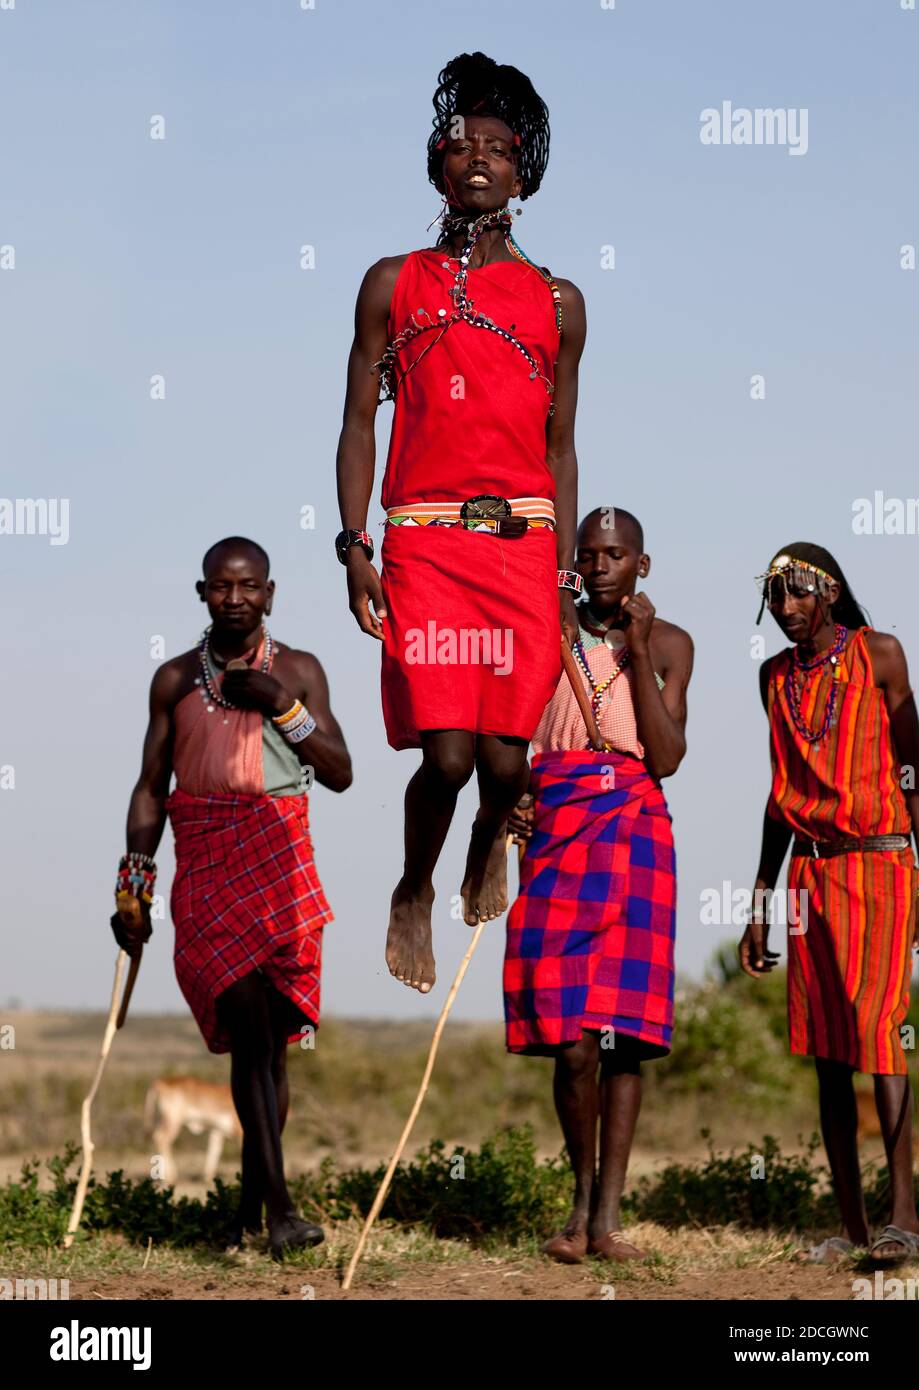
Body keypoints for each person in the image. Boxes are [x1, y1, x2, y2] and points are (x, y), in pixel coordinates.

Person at [335, 50, 586, 994]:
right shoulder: (390, 282)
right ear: (437, 167)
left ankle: (491, 836)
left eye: (497, 147)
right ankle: (412, 887)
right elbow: (359, 423)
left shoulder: (560, 303)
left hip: (522, 543)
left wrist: (562, 573)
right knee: (445, 753)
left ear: (523, 171)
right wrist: (356, 546)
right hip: (427, 545)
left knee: (507, 761)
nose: (476, 158)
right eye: (458, 145)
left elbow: (560, 449)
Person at [111, 537, 352, 1259]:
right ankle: (280, 1211)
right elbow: (152, 788)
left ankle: (247, 1215)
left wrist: (284, 707)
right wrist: (133, 890)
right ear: (202, 593)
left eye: (248, 586)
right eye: (221, 586)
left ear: (270, 593)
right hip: (209, 863)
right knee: (248, 1033)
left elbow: (339, 772)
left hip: (282, 860)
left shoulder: (299, 672)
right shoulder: (176, 680)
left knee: (271, 1052)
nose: (235, 598)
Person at [505, 507, 693, 1262]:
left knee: (623, 1039)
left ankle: (606, 1218)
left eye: (614, 555)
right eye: (587, 555)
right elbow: (509, 727)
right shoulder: (544, 630)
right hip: (556, 825)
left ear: (641, 565)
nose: (598, 566)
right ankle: (577, 1203)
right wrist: (513, 797)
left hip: (635, 829)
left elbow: (667, 753)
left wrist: (639, 648)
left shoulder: (671, 643)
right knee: (569, 1038)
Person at [739, 542, 919, 1266]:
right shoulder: (772, 678)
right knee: (825, 1050)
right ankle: (849, 1228)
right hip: (809, 879)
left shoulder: (879, 655)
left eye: (799, 594)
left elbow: (914, 767)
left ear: (831, 592)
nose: (786, 608)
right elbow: (780, 798)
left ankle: (903, 1219)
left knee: (879, 1035)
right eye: (776, 595)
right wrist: (758, 896)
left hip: (880, 862)